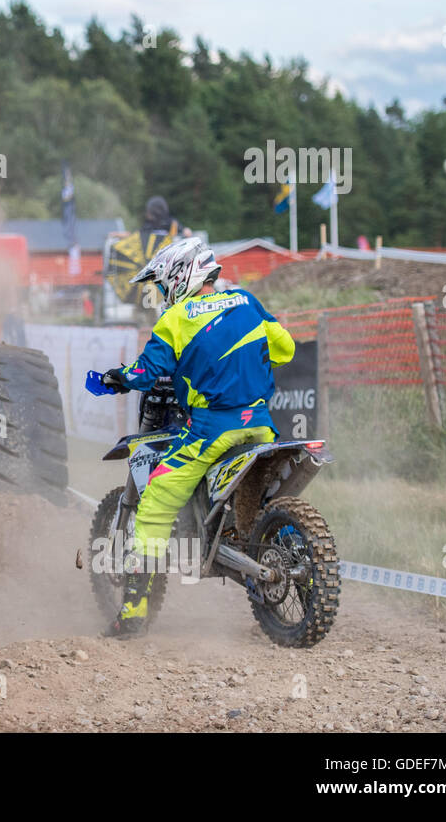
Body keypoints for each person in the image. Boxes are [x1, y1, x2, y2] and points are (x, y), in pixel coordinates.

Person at [94, 237, 295, 637]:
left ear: (181, 276)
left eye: (165, 285)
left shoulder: (176, 320)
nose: (165, 294)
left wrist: (115, 378)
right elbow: (285, 349)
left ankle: (133, 614)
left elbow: (145, 373)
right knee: (268, 498)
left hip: (211, 431)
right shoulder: (245, 301)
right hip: (260, 426)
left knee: (152, 507)